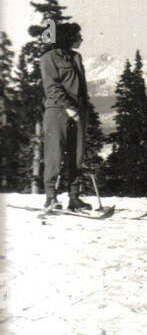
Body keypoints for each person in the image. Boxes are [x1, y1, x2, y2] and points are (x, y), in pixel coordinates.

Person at [39, 22, 90, 211]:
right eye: (78, 35)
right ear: (68, 37)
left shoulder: (76, 57)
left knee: (77, 155)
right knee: (55, 153)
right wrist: (68, 106)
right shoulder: (49, 58)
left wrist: (82, 109)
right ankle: (51, 196)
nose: (81, 39)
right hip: (57, 110)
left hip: (78, 111)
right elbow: (51, 86)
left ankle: (74, 197)